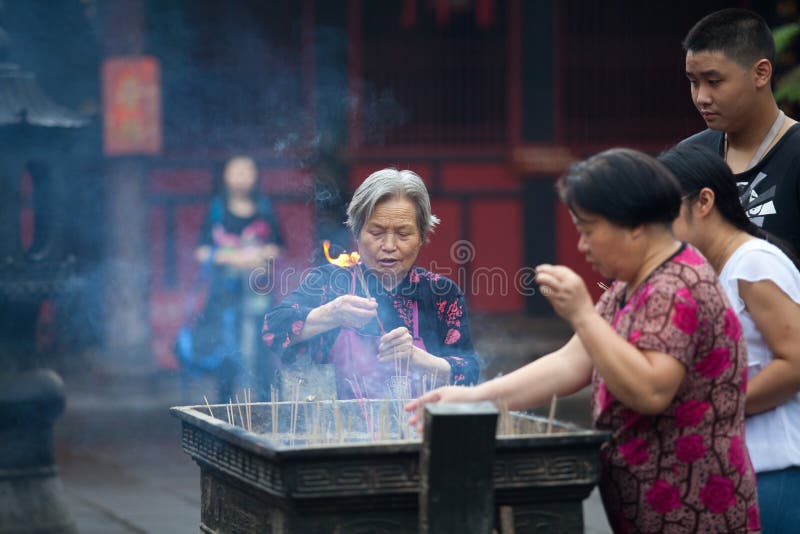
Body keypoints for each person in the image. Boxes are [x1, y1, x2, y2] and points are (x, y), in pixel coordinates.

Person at [407, 149, 760, 533]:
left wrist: (582, 314)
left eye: (589, 230)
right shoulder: (633, 282)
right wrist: (471, 399)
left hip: (696, 514)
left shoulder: (677, 286)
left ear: (634, 225)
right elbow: (571, 363)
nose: (581, 246)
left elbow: (650, 391)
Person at [659, 143, 800, 534]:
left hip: (778, 469)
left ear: (704, 201)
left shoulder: (754, 261)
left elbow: (796, 361)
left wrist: (707, 410)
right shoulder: (712, 271)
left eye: (665, 214)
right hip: (740, 470)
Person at [262, 168, 479, 399]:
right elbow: (272, 331)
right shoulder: (329, 283)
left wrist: (418, 359)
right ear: (356, 233)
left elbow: (469, 374)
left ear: (423, 236)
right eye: (376, 233)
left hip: (419, 429)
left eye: (403, 234)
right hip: (340, 429)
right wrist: (332, 314)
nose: (388, 245)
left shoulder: (441, 293)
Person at [681, 8, 800, 256]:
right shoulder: (687, 157)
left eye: (714, 82)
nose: (701, 97)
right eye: (694, 82)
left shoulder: (795, 153)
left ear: (761, 73)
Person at [190, 155, 283, 402]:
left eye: (247, 171)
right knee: (227, 345)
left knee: (262, 345)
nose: (242, 177)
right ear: (226, 176)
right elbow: (201, 251)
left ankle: (265, 402)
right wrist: (235, 258)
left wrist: (260, 254)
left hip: (258, 289)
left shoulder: (264, 208)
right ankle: (225, 404)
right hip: (225, 293)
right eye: (236, 171)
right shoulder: (217, 209)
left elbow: (277, 247)